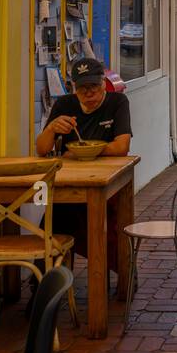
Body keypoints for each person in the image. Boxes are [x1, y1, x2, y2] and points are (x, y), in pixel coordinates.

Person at [33, 58, 132, 291]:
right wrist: (51, 129)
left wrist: (86, 151)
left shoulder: (117, 102)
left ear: (103, 84)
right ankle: (42, 284)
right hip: (68, 185)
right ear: (74, 89)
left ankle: (117, 274)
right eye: (82, 88)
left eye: (94, 87)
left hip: (108, 184)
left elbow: (121, 146)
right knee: (54, 219)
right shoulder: (64, 106)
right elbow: (42, 149)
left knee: (102, 223)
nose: (89, 94)